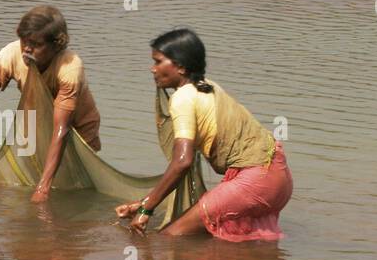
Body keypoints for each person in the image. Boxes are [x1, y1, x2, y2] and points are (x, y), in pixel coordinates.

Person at [115, 29, 292, 240]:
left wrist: (146, 211)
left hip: (254, 179)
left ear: (180, 66)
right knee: (216, 244)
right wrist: (142, 203)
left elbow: (182, 162)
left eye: (158, 62)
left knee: (171, 238)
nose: (152, 69)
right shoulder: (208, 86)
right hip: (279, 177)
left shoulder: (183, 98)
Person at [0, 6, 101, 203]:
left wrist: (43, 188)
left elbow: (62, 128)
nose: (27, 49)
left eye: (36, 44)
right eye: (24, 42)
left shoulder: (69, 67)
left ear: (57, 45)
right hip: (40, 126)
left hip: (78, 130)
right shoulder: (10, 55)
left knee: (73, 191)